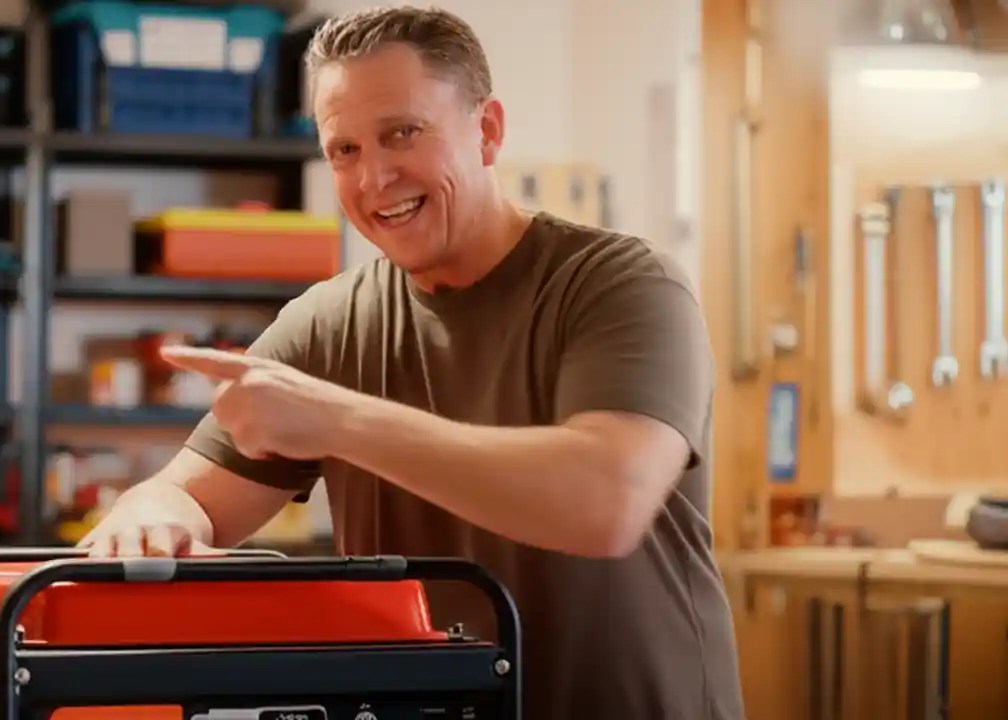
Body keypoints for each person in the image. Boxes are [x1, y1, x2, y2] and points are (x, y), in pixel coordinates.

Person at [80, 6, 745, 719]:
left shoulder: (622, 285)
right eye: (344, 150)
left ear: (487, 131)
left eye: (402, 133)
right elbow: (185, 498)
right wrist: (148, 517)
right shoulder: (327, 325)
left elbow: (604, 503)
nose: (375, 179)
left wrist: (335, 421)